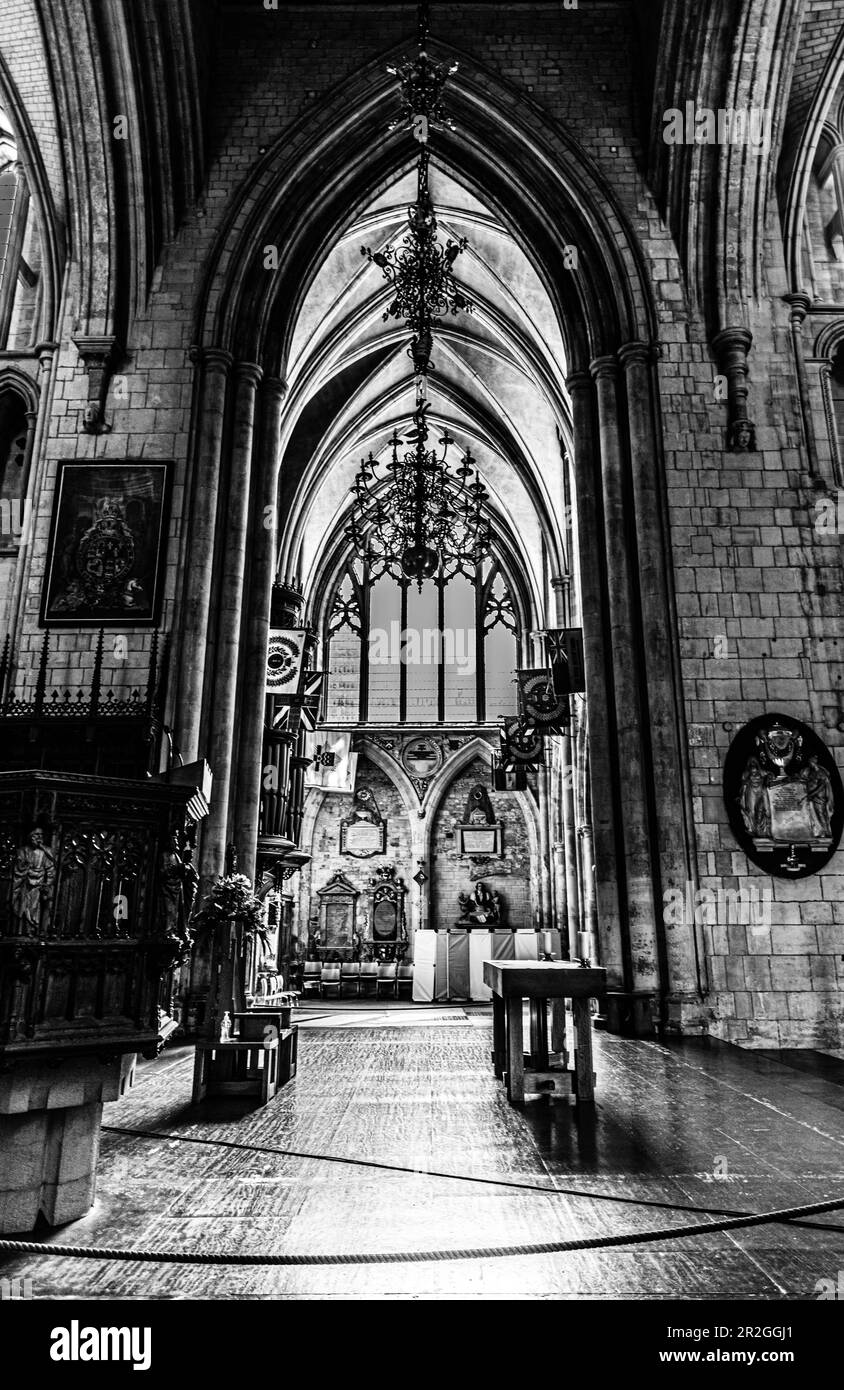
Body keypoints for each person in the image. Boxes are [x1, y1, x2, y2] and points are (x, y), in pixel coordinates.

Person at [12, 827, 55, 935]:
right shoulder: (23, 851)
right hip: (24, 885)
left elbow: (51, 870)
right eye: (36, 835)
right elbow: (18, 868)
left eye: (41, 835)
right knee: (22, 907)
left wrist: (47, 883)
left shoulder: (45, 852)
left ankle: (33, 931)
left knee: (34, 909)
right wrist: (24, 868)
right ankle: (20, 931)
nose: (39, 837)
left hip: (38, 886)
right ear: (30, 836)